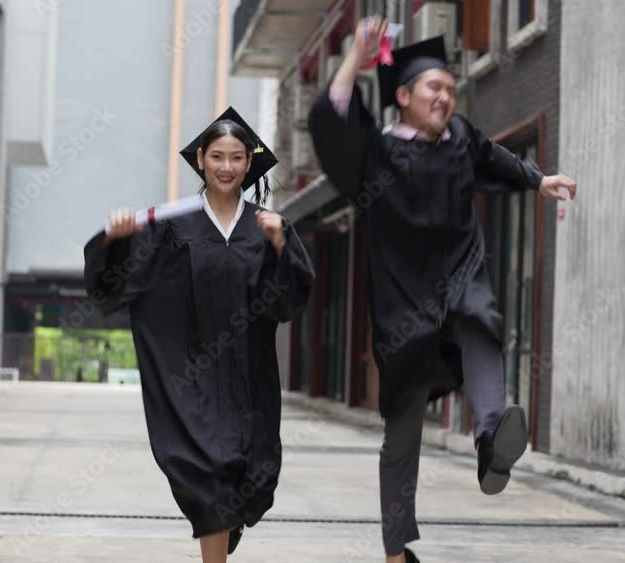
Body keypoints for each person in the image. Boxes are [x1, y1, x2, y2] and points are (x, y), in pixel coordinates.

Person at [308, 19, 577, 563]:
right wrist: (354, 59)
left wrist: (537, 179)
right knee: (402, 429)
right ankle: (396, 548)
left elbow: (494, 158)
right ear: (402, 96)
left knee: (482, 322)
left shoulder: (459, 140)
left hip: (458, 274)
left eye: (452, 89)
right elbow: (332, 116)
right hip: (403, 302)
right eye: (435, 87)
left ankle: (491, 438)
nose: (447, 96)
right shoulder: (375, 155)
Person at [84, 107, 314, 563]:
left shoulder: (266, 226)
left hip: (250, 379)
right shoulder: (172, 226)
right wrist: (114, 239)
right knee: (208, 477)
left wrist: (283, 246)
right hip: (192, 378)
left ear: (250, 163)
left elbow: (288, 301)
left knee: (248, 477)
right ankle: (217, 536)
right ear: (201, 162)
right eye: (217, 157)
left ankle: (226, 525)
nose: (226, 167)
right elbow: (120, 283)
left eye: (235, 158)